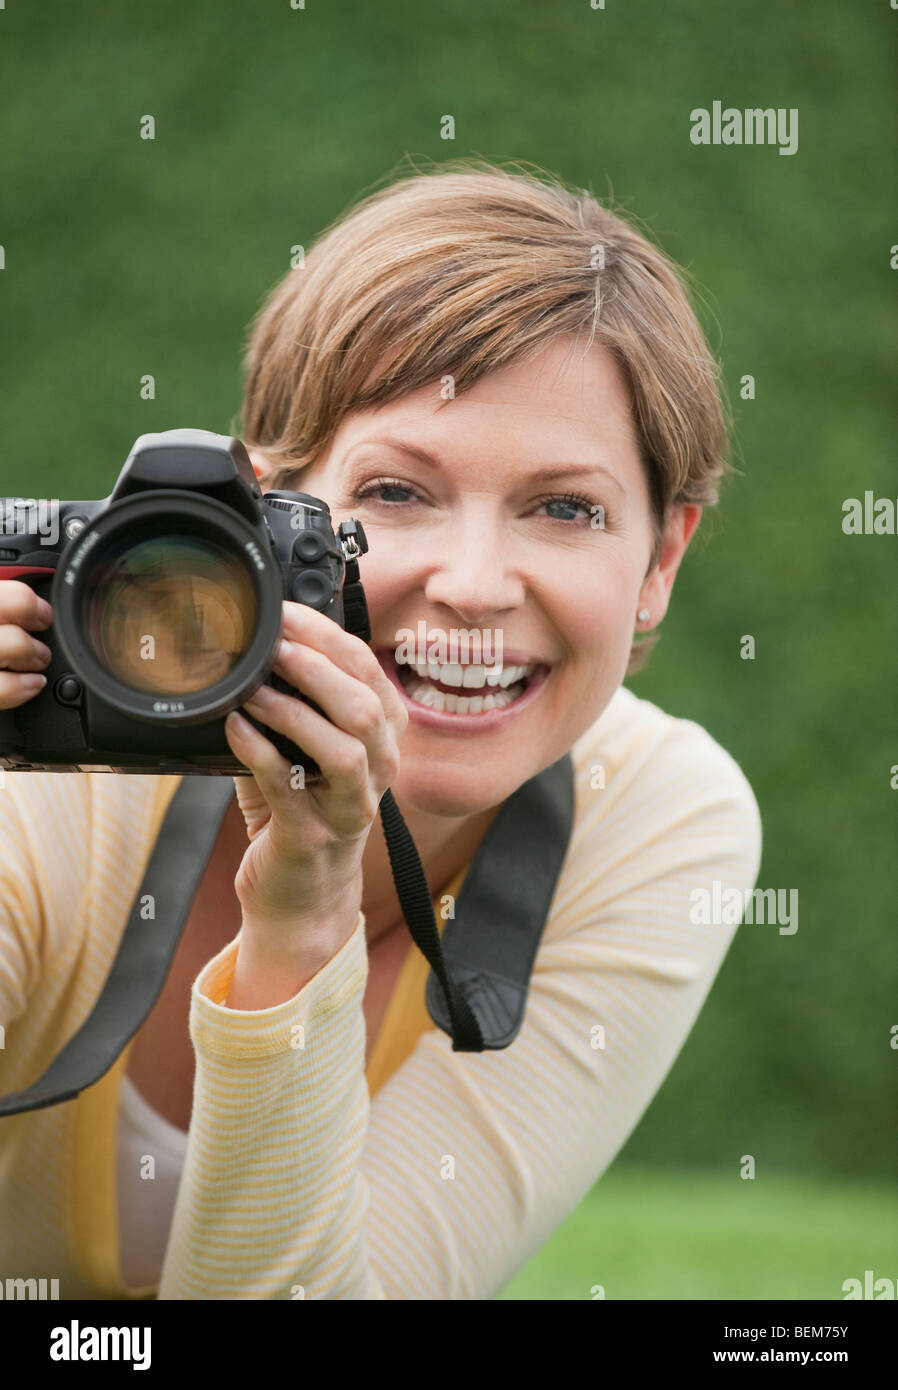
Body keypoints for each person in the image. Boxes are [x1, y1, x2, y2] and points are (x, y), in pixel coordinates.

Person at [0, 160, 762, 1300]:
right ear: (254, 511)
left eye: (566, 508)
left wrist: (303, 915)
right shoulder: (46, 744)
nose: (473, 583)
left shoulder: (653, 817)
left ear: (660, 559)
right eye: (397, 492)